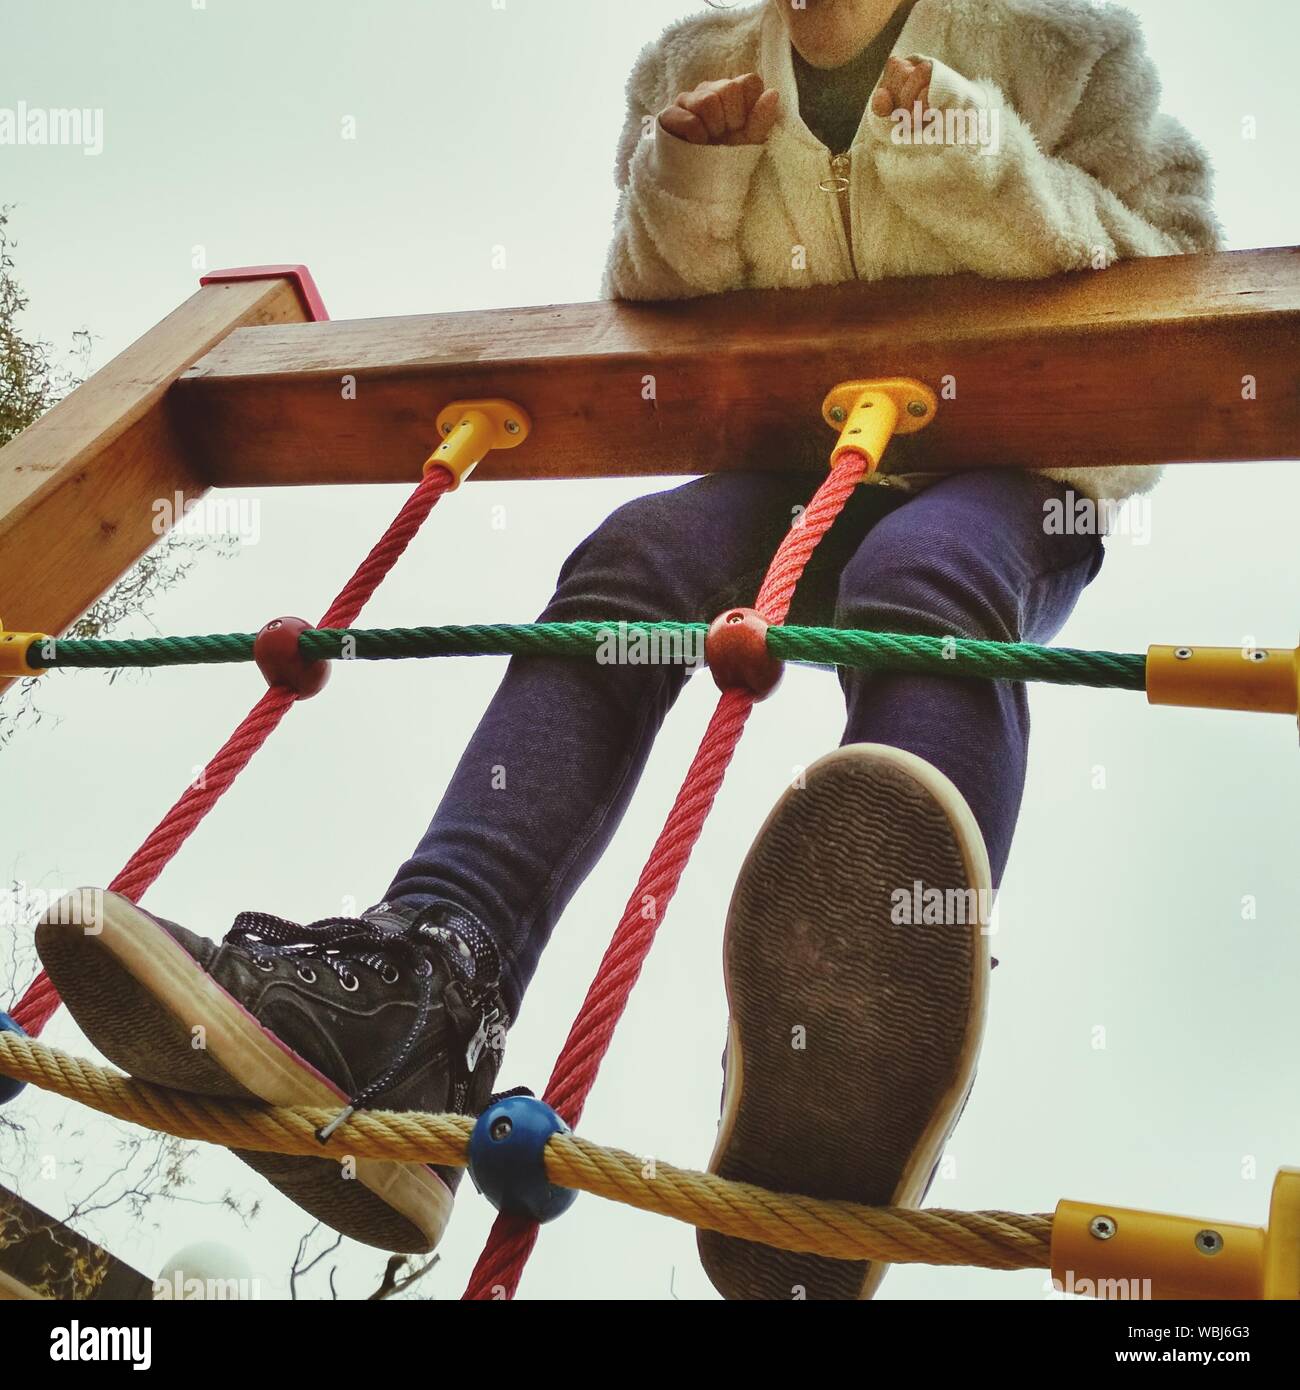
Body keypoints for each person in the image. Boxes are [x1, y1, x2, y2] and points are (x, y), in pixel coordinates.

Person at [37, 0, 1218, 1299]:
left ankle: (865, 1038)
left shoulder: (1060, 46)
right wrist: (693, 171)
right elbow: (651, 302)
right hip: (788, 459)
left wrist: (967, 153)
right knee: (634, 560)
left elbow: (1174, 265)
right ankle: (429, 988)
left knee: (918, 577)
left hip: (1004, 469)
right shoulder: (695, 61)